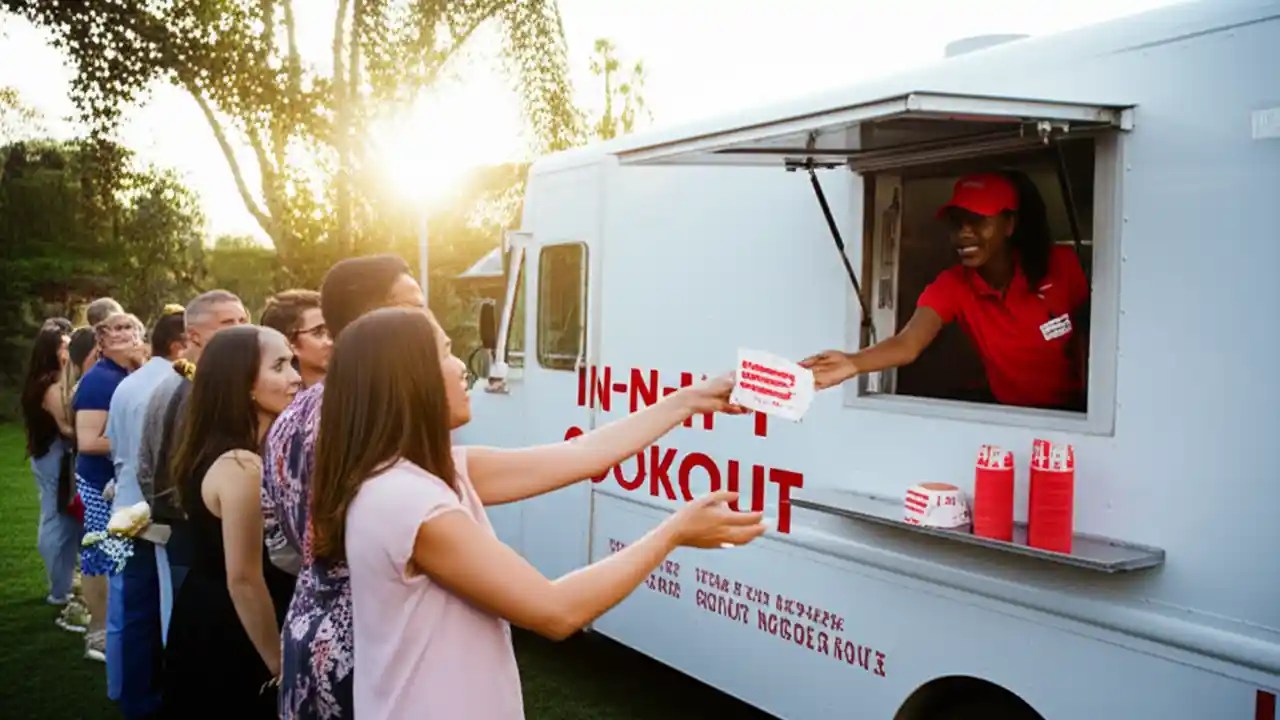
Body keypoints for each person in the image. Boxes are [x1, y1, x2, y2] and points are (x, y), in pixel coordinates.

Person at [312, 308, 764, 719]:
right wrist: (675, 531)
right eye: (446, 353)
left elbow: (584, 454)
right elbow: (557, 610)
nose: (461, 367)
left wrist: (694, 398)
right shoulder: (405, 502)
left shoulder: (430, 472)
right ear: (409, 380)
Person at [802, 172, 1091, 411]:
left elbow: (1096, 337)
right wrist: (852, 362)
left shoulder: (1061, 265)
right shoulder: (953, 285)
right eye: (957, 222)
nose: (964, 233)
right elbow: (907, 344)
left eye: (978, 220)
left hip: (1078, 412)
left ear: (1009, 224)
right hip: (1012, 414)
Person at [160, 325, 301, 717]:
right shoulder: (241, 466)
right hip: (235, 629)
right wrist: (279, 666)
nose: (295, 377)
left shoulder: (219, 450)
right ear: (244, 386)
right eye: (279, 366)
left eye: (292, 362)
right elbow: (244, 578)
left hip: (209, 611)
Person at [136, 290, 249, 644]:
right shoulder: (192, 389)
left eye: (244, 321)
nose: (241, 330)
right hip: (196, 534)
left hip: (191, 530)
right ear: (194, 336)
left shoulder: (189, 383)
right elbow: (156, 466)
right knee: (203, 632)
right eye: (228, 323)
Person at [103, 305, 188, 719]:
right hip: (156, 516)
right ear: (181, 345)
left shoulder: (128, 384)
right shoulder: (175, 384)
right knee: (167, 611)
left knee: (131, 613)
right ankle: (159, 697)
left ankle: (128, 693)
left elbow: (116, 448)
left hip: (125, 509)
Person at [73, 312, 146, 662]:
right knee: (100, 554)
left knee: (122, 557)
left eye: (129, 326)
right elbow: (88, 441)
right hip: (99, 481)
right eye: (112, 329)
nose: (122, 333)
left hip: (125, 482)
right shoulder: (99, 381)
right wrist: (142, 439)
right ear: (100, 341)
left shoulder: (135, 373)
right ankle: (98, 633)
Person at [21, 319, 79, 609]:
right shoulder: (52, 385)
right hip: (55, 456)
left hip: (48, 455)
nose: (69, 352)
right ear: (51, 352)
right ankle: (59, 588)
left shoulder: (46, 380)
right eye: (65, 347)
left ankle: (63, 583)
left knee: (59, 518)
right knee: (58, 520)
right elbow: (66, 429)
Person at [260, 289, 331, 389]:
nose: (330, 342)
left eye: (331, 329)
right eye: (318, 333)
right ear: (289, 343)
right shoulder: (280, 400)